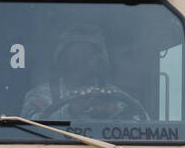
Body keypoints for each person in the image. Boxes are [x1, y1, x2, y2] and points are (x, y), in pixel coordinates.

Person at [20, 30, 150, 123]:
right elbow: (28, 130)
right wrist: (71, 110)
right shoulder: (40, 95)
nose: (80, 62)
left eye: (88, 55)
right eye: (73, 55)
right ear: (61, 59)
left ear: (100, 62)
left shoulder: (117, 97)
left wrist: (112, 112)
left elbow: (144, 125)